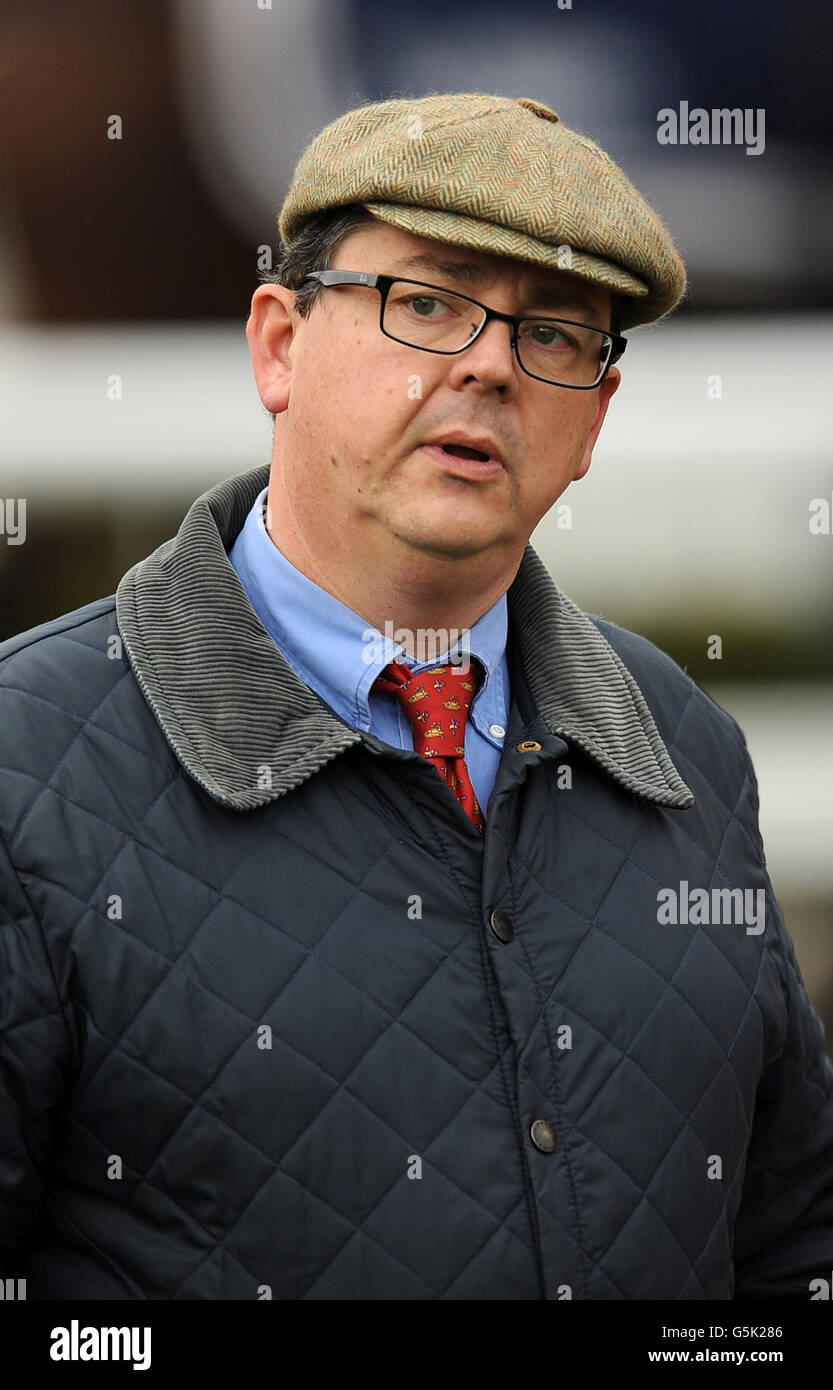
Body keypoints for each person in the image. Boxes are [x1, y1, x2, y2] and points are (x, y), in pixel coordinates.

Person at [1, 91, 832, 1302]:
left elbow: (789, 1241)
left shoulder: (684, 745)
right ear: (278, 344)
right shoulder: (27, 767)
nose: (491, 362)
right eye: (428, 302)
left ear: (592, 419)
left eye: (553, 331)